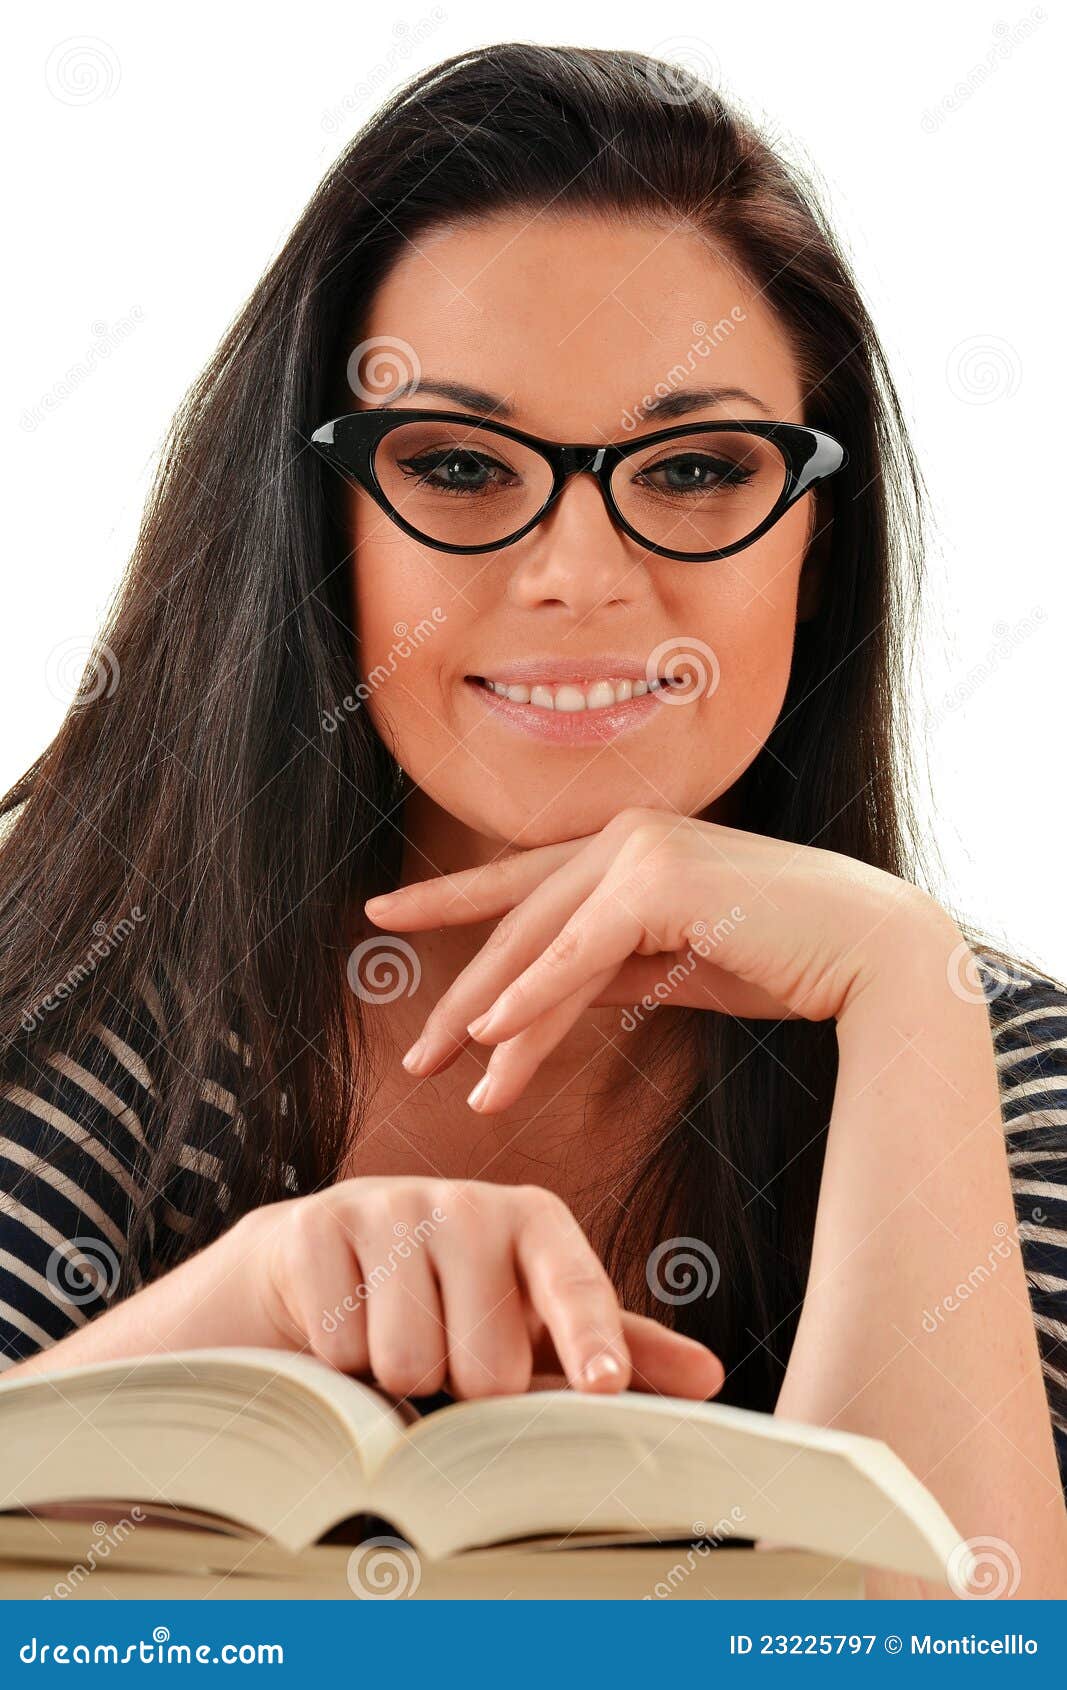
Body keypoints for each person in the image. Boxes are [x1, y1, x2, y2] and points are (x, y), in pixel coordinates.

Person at [1, 44, 1065, 1599]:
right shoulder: (64, 1005)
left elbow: (940, 1651)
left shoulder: (1001, 1073)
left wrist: (905, 989)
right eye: (453, 464)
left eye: (697, 468)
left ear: (813, 549)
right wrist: (235, 1316)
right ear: (318, 532)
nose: (577, 571)